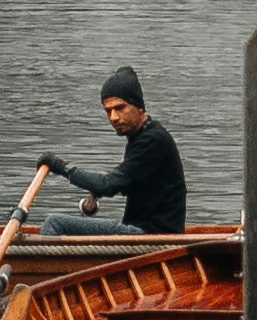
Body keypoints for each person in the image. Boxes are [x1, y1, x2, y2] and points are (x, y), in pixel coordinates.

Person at [50, 70, 186, 245]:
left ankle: (49, 270)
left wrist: (60, 167)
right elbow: (125, 182)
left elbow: (108, 185)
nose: (113, 117)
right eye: (108, 111)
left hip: (154, 237)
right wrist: (99, 189)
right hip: (147, 232)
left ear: (140, 107)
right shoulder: (140, 136)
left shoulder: (153, 140)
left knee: (55, 223)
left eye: (120, 108)